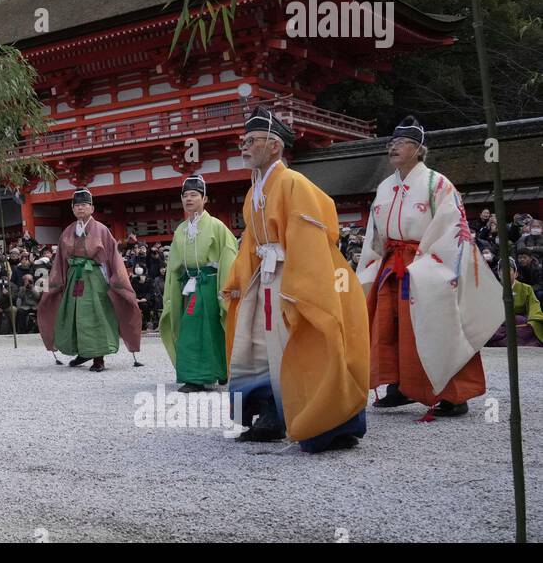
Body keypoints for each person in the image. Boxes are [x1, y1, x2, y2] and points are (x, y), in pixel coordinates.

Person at [221, 107, 369, 452]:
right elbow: (250, 244)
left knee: (296, 344)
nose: (244, 146)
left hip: (290, 274)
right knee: (257, 344)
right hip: (264, 276)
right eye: (243, 140)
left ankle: (320, 417)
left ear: (274, 146)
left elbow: (309, 239)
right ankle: (272, 411)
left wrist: (300, 285)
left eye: (252, 140)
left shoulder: (292, 183)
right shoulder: (254, 189)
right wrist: (239, 277)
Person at [356, 117, 502, 418]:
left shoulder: (438, 184)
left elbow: (452, 230)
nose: (393, 146)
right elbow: (374, 234)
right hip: (391, 265)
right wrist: (371, 265)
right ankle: (398, 387)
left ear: (419, 149)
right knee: (389, 326)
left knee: (437, 327)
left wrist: (428, 266)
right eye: (391, 142)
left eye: (401, 142)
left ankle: (453, 395)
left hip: (426, 263)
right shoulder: (385, 186)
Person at [36, 189, 142, 371]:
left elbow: (113, 257)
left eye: (84, 205)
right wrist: (52, 285)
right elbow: (60, 262)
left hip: (94, 278)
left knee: (96, 314)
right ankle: (83, 351)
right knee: (75, 314)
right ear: (72, 208)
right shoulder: (68, 232)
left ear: (92, 208)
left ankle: (98, 357)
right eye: (76, 205)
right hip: (73, 278)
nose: (80, 208)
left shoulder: (102, 230)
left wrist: (115, 280)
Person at [159, 175, 238, 392]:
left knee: (212, 330)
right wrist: (172, 289)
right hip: (189, 286)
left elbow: (229, 255)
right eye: (185, 196)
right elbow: (174, 262)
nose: (189, 199)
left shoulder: (217, 226)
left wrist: (225, 289)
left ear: (205, 199)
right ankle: (196, 376)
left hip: (211, 285)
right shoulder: (180, 229)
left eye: (194, 195)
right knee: (191, 329)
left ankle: (218, 372)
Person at [486, 259, 543, 347]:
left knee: (528, 326)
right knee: (489, 330)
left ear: (516, 273)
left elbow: (534, 306)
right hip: (500, 323)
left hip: (521, 323)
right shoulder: (493, 288)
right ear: (499, 274)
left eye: (509, 270)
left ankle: (503, 341)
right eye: (502, 271)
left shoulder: (526, 288)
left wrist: (532, 320)